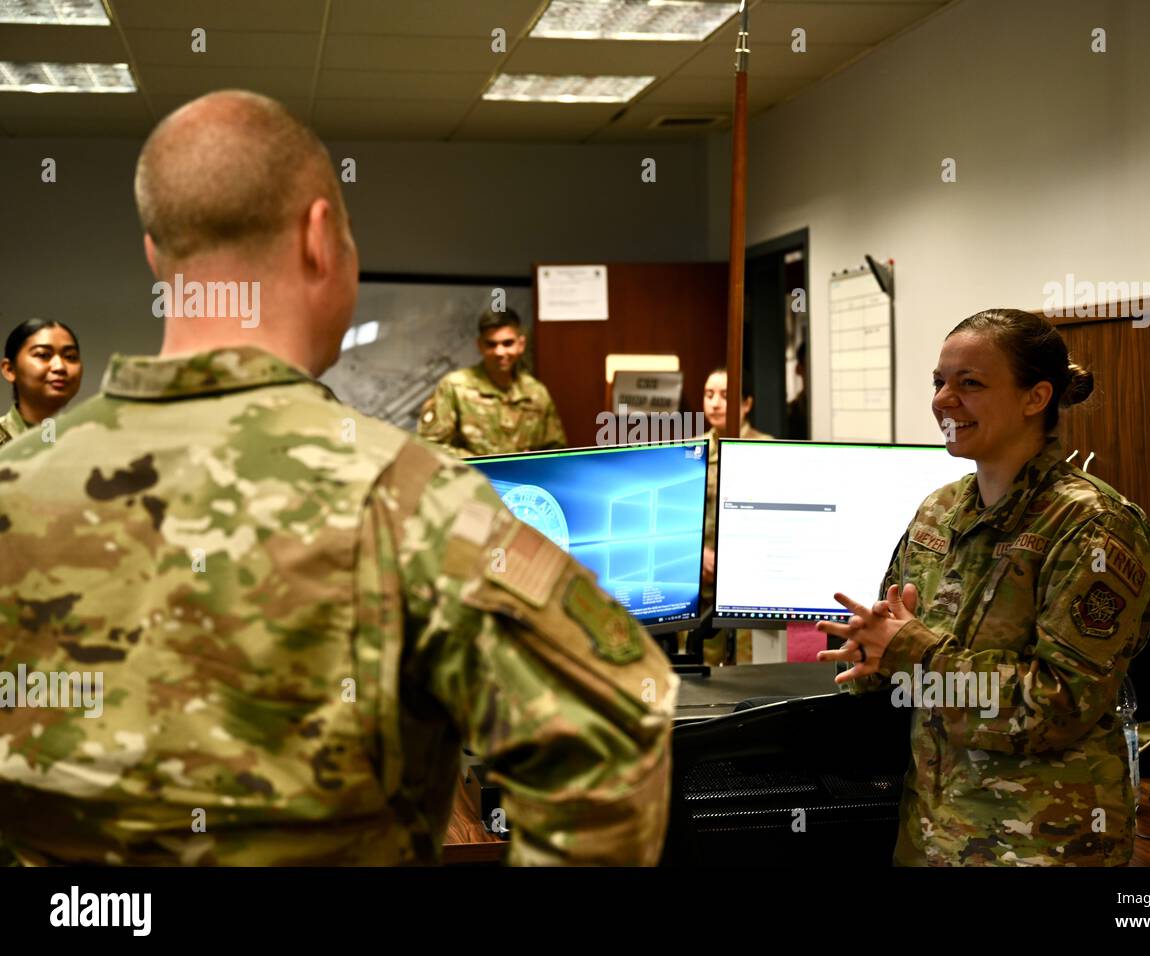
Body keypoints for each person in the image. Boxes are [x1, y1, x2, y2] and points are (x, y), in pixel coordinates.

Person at [0, 90, 676, 867]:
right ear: (321, 237)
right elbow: (617, 718)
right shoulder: (411, 498)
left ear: (157, 257)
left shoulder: (14, 484)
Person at [817, 308, 1150, 867]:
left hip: (1040, 847)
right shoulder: (939, 511)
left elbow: (1061, 704)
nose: (943, 400)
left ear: (1036, 398)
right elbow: (896, 645)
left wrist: (910, 653)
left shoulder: (1093, 527)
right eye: (939, 382)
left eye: (969, 383)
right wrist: (870, 655)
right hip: (931, 833)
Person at [695, 367, 773, 666]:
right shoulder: (694, 452)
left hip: (752, 584)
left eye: (726, 396)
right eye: (709, 395)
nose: (715, 403)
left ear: (747, 404)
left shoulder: (765, 449)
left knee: (752, 670)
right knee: (706, 671)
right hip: (702, 583)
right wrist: (698, 554)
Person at [416, 308, 566, 457]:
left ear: (521, 344)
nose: (500, 352)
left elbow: (555, 450)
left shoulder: (535, 392)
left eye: (508, 343)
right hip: (472, 478)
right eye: (491, 344)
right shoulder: (455, 386)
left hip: (522, 479)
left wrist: (532, 461)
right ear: (480, 345)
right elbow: (429, 446)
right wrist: (479, 462)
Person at [0, 319, 83, 448]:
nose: (59, 367)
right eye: (43, 355)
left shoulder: (94, 439)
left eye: (70, 356)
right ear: (9, 369)